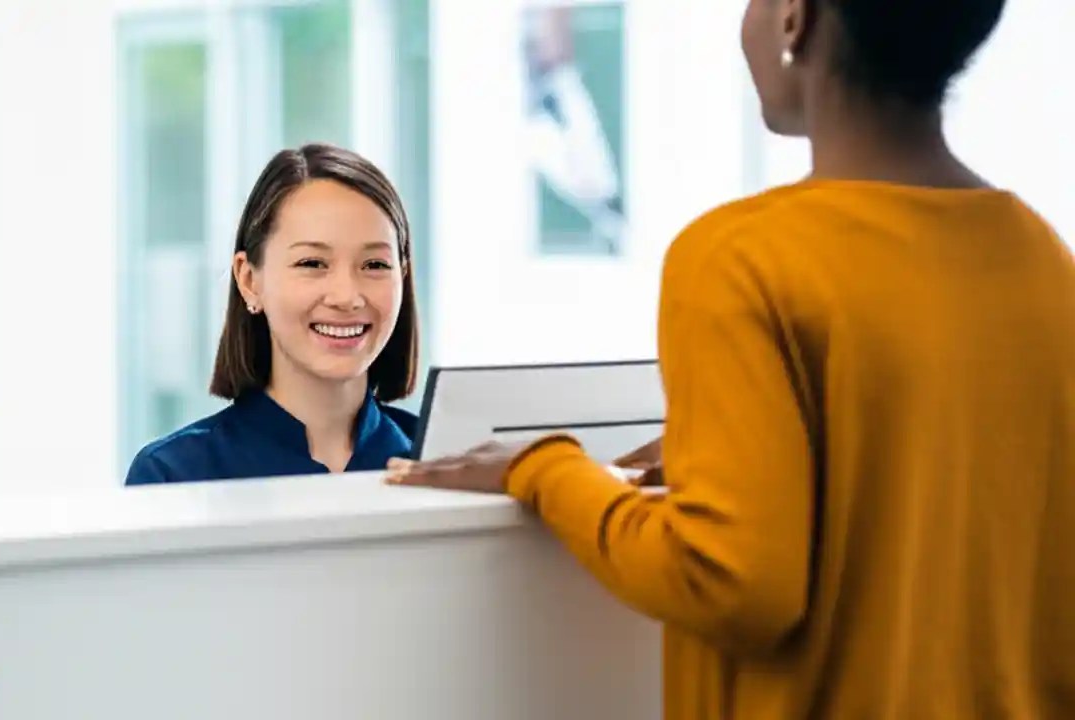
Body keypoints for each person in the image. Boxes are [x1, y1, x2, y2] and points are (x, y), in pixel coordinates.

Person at [388, 0, 1074, 717]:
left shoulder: (740, 259)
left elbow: (729, 579)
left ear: (793, 19)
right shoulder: (1044, 259)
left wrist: (543, 469)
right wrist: (699, 447)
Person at [126, 144, 420, 485]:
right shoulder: (174, 474)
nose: (347, 297)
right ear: (249, 280)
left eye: (374, 265)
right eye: (312, 263)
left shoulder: (441, 463)